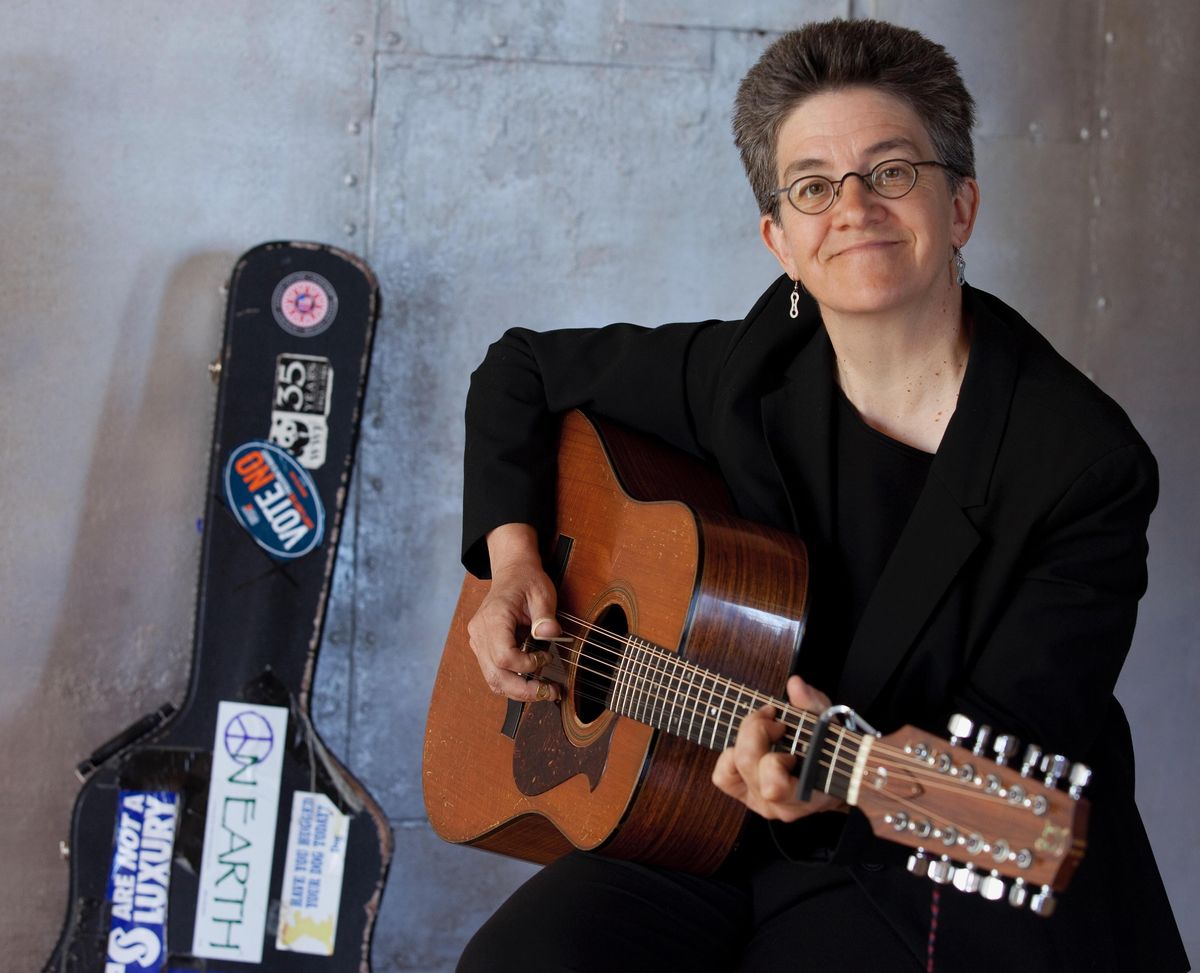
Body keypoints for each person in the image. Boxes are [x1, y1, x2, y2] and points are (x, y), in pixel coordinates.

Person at [453, 18, 1188, 972]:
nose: (854, 208)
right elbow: (519, 373)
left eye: (892, 172)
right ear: (781, 240)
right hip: (705, 809)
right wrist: (512, 561)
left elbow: (1011, 763)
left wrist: (834, 790)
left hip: (921, 851)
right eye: (813, 187)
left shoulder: (1078, 463)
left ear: (959, 205)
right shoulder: (753, 368)